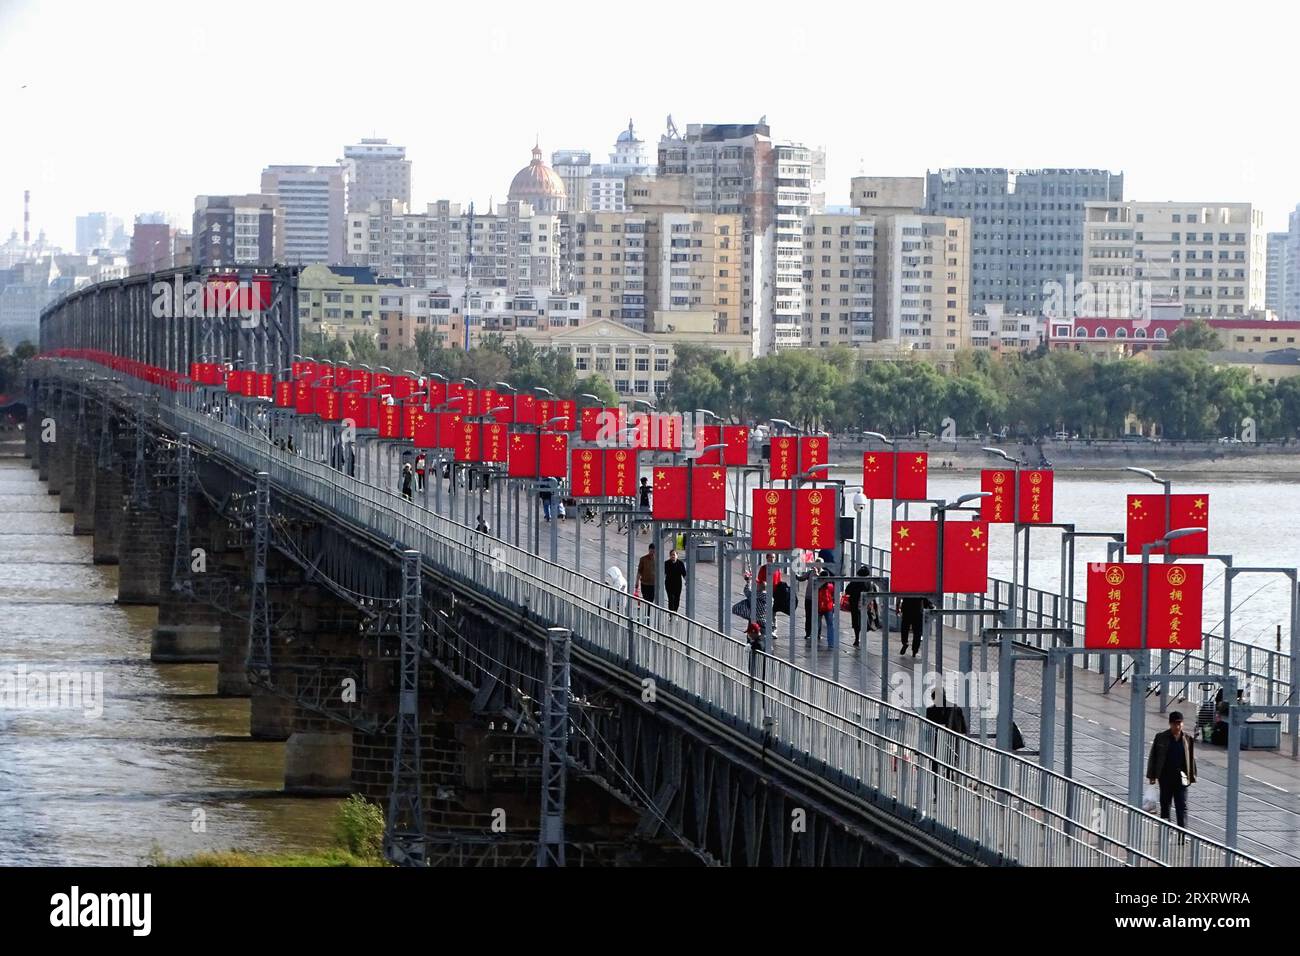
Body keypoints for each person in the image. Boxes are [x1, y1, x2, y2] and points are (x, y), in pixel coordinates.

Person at [1147, 711, 1197, 831]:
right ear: (1170, 724)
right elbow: (1153, 756)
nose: (1178, 726)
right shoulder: (1161, 737)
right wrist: (1151, 775)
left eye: (1180, 723)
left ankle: (1182, 834)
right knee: (1165, 805)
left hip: (1182, 779)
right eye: (1175, 724)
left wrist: (1193, 775)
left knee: (1182, 807)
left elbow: (1191, 758)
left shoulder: (1188, 739)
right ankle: (1165, 832)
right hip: (1165, 778)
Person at [843, 565, 881, 647]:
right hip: (867, 606)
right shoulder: (870, 583)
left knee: (856, 623)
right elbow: (875, 594)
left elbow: (847, 591)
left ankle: (857, 638)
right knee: (866, 621)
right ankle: (864, 636)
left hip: (855, 605)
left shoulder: (854, 582)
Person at [816, 568, 837, 648]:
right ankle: (831, 643)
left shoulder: (817, 585)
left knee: (816, 624)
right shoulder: (831, 586)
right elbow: (833, 596)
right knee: (830, 625)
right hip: (828, 607)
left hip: (818, 607)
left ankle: (814, 639)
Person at [663, 548, 687, 612]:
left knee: (677, 599)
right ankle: (671, 614)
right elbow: (663, 574)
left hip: (678, 585)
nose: (673, 556)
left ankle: (675, 612)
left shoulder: (680, 563)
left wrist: (686, 581)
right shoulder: (666, 563)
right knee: (671, 599)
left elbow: (684, 574)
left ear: (677, 555)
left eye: (674, 554)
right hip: (669, 584)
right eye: (671, 555)